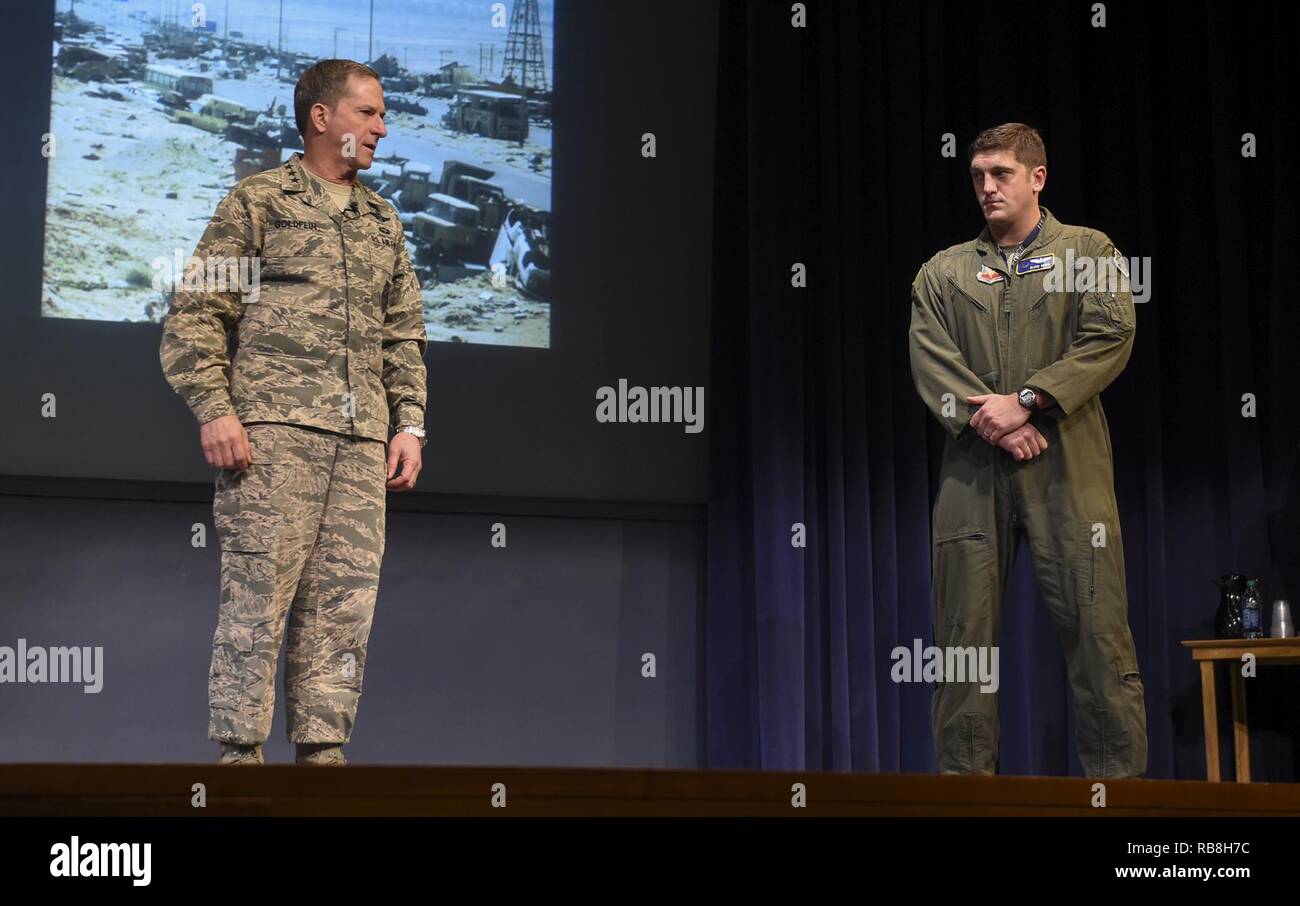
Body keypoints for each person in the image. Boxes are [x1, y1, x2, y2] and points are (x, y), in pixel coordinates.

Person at [159, 59, 429, 766]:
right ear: (321, 117)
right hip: (272, 440)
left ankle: (323, 761)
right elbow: (194, 316)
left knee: (344, 610)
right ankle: (240, 761)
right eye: (368, 112)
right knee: (257, 603)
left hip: (360, 445)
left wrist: (409, 423)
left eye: (381, 114)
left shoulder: (382, 220)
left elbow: (402, 334)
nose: (381, 126)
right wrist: (215, 409)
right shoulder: (260, 202)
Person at [907, 122, 1147, 778]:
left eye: (1001, 174)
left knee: (1098, 638)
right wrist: (997, 421)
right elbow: (931, 360)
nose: (986, 187)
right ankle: (965, 798)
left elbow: (1110, 336)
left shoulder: (1088, 250)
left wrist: (1031, 398)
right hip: (972, 476)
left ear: (1037, 177)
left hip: (1068, 468)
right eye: (978, 176)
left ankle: (1116, 800)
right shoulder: (943, 272)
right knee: (963, 647)